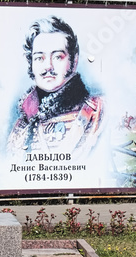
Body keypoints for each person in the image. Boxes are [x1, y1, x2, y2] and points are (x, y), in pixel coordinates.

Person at [6, 17, 103, 156]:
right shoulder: (22, 124)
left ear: (74, 61)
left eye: (57, 57)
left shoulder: (98, 111)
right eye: (39, 58)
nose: (48, 66)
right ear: (31, 64)